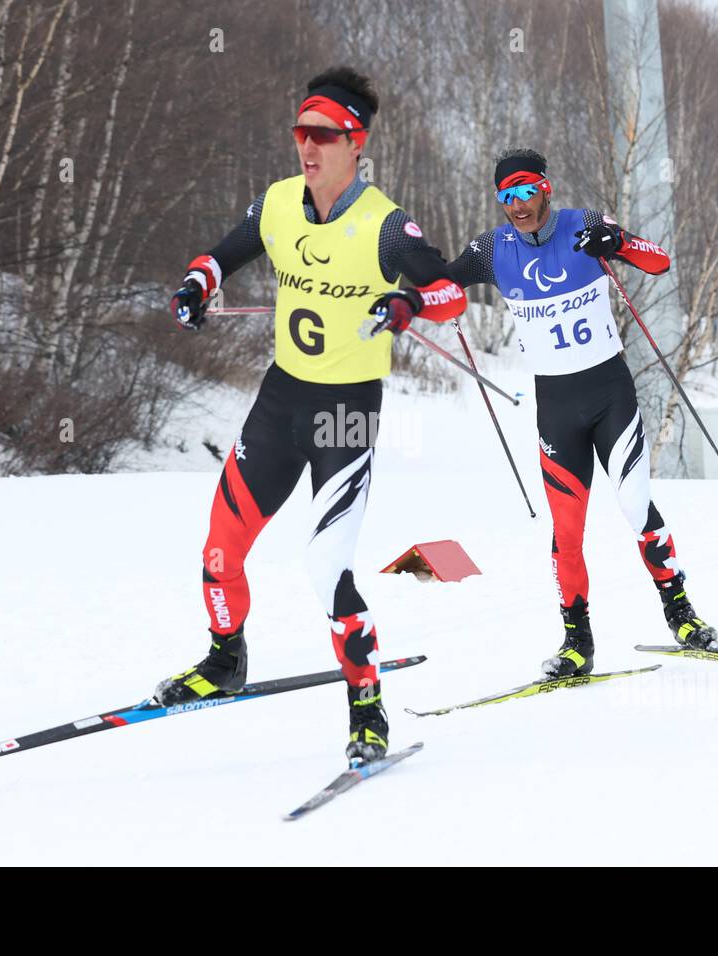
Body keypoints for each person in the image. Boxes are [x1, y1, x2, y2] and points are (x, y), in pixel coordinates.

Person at [154, 67, 467, 764]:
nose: (309, 145)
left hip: (346, 414)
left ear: (356, 142)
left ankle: (367, 712)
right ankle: (223, 660)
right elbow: (222, 254)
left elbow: (449, 290)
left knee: (326, 565)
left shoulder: (385, 225)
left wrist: (409, 304)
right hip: (280, 402)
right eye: (302, 131)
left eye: (324, 134)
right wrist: (196, 285)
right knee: (218, 549)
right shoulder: (278, 204)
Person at [446, 148, 718, 677]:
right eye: (507, 195)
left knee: (636, 504)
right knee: (566, 533)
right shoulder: (490, 249)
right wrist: (402, 285)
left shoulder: (584, 225)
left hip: (609, 394)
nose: (518, 204)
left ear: (545, 187)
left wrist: (618, 242)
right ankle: (577, 643)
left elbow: (658, 261)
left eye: (526, 190)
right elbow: (439, 283)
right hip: (556, 409)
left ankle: (681, 613)